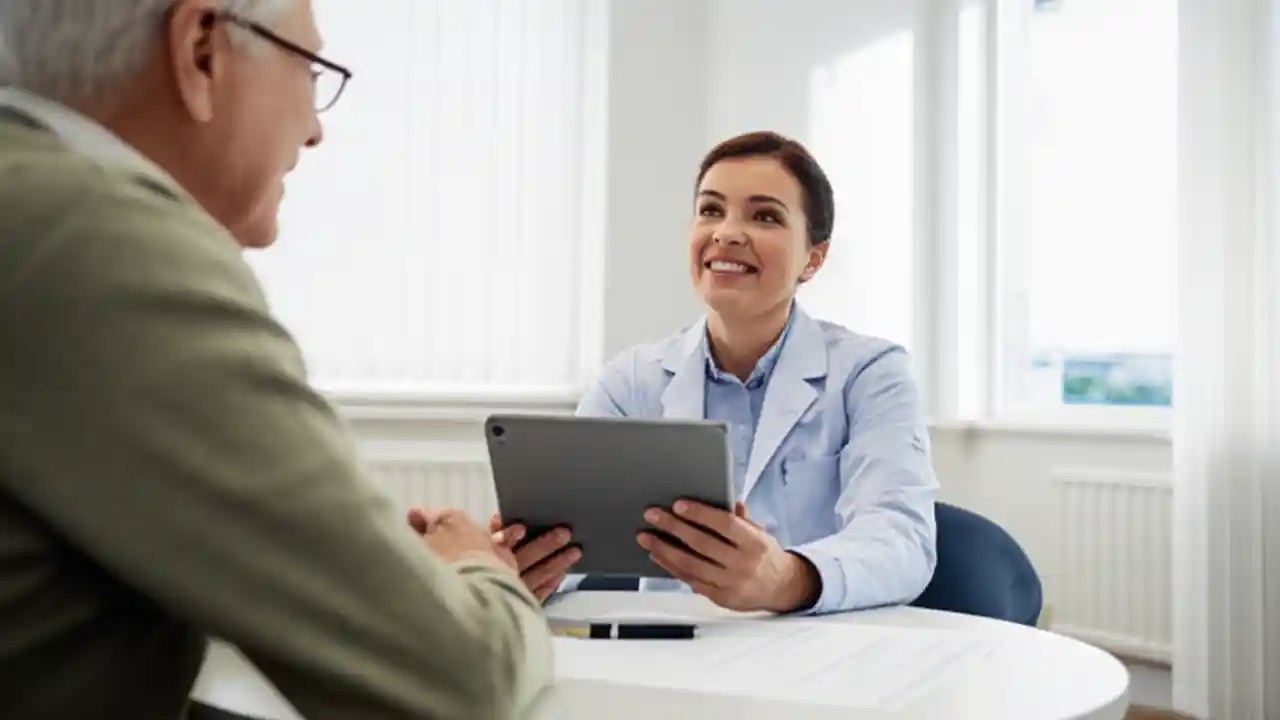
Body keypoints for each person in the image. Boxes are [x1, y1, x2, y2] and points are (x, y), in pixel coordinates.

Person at [0, 1, 551, 718]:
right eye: (311, 69)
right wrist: (482, 569)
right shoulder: (99, 240)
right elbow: (457, 680)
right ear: (202, 49)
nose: (316, 128)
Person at [502, 131, 938, 614]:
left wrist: (788, 578)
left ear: (813, 258)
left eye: (765, 215)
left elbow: (903, 540)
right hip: (676, 649)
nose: (726, 232)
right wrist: (515, 565)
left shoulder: (870, 373)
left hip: (822, 647)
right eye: (711, 210)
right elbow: (571, 540)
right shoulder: (630, 382)